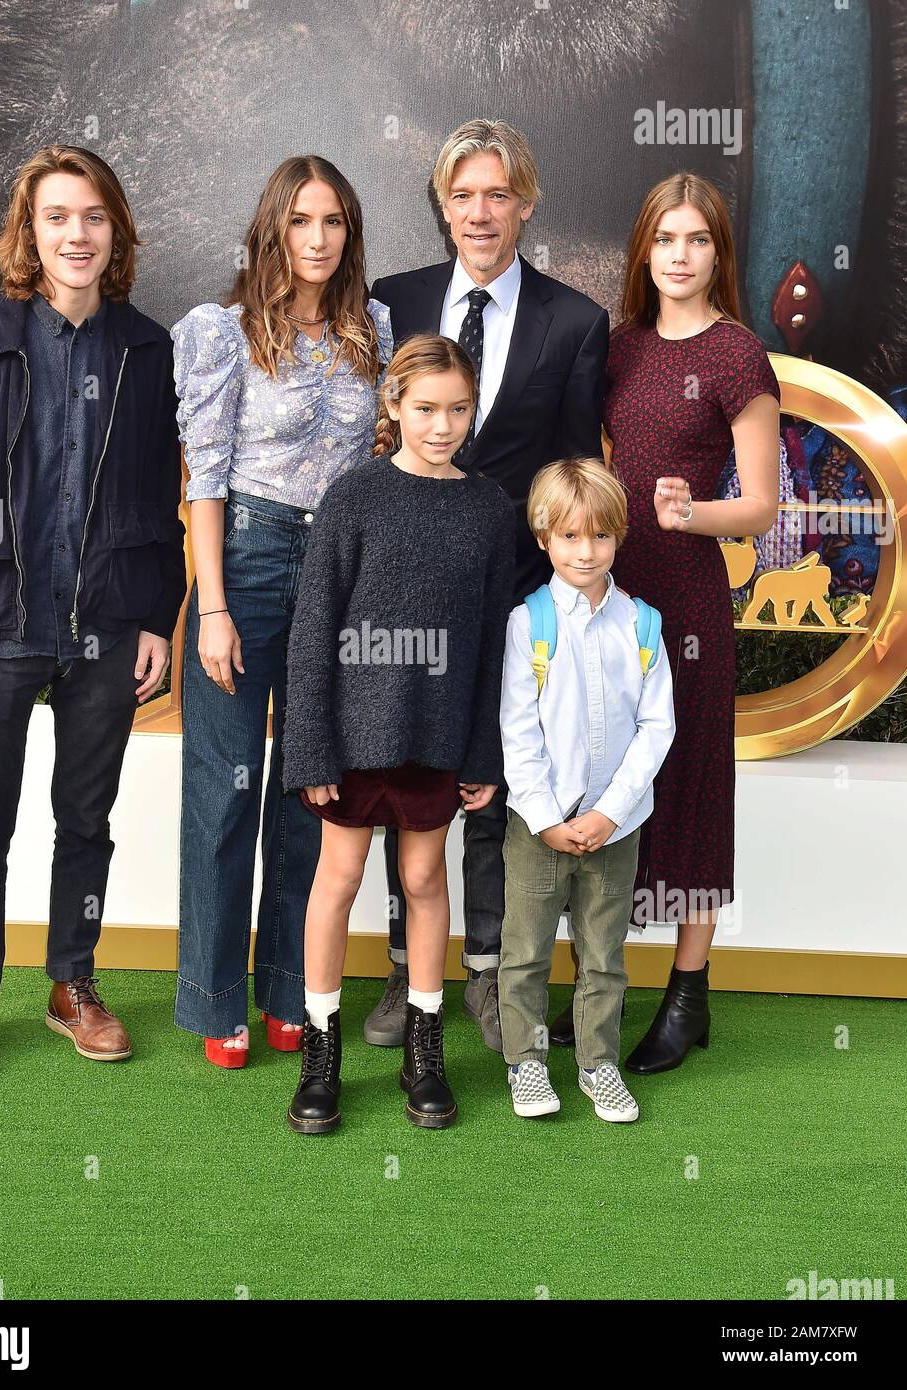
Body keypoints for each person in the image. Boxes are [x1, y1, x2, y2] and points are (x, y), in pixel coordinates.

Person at [0, 146, 187, 1080]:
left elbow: (162, 500)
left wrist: (158, 615)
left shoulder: (148, 352)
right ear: (30, 235)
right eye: (58, 217)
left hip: (108, 629)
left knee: (88, 818)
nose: (77, 234)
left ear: (117, 232)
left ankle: (74, 982)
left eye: (94, 216)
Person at [366, 119, 608, 1051]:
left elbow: (577, 466)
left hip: (513, 598)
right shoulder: (393, 302)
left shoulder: (574, 323)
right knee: (409, 776)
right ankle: (401, 967)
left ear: (526, 203)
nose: (479, 212)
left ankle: (486, 972)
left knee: (497, 782)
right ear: (440, 203)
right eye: (462, 194)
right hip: (407, 595)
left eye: (497, 194)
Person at [548, 172, 780, 1072]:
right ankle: (595, 981)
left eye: (697, 239)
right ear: (643, 250)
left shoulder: (736, 356)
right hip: (606, 590)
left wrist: (694, 515)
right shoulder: (620, 346)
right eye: (664, 239)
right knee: (595, 767)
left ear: (718, 252)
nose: (679, 255)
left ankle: (688, 993)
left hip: (684, 598)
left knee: (684, 781)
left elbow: (760, 504)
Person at [171, 157, 393, 1068]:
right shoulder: (219, 333)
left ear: (349, 233)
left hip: (335, 571)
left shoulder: (370, 329)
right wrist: (213, 606)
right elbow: (205, 481)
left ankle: (289, 990)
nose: (317, 238)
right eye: (301, 220)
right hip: (247, 562)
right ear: (272, 227)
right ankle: (215, 996)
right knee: (223, 794)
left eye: (333, 221)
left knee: (312, 791)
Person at [281, 333, 515, 1132]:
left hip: (440, 737)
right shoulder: (353, 497)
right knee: (338, 881)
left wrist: (483, 752)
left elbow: (492, 643)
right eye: (424, 409)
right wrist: (309, 747)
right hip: (350, 738)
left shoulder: (488, 508)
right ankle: (321, 1053)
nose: (442, 425)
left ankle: (425, 1049)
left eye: (457, 409)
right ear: (392, 406)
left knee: (422, 882)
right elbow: (313, 629)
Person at [498, 459, 675, 1121]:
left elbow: (656, 728)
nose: (584, 551)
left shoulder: (642, 626)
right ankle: (526, 1064)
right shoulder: (528, 625)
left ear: (618, 538)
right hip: (537, 828)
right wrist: (546, 818)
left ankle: (597, 1066)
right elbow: (517, 730)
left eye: (598, 537)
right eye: (569, 537)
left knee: (603, 956)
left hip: (615, 827)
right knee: (524, 954)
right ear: (544, 538)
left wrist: (608, 812)